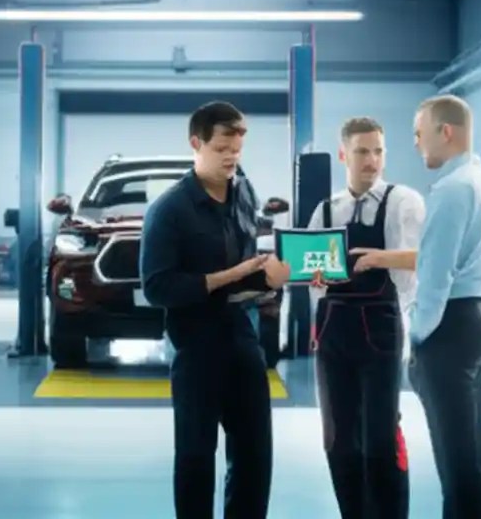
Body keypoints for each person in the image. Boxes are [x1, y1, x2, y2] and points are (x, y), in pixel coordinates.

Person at [140, 100, 291, 519]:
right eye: (222, 147)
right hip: (195, 347)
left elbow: (247, 272)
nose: (231, 157)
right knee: (195, 458)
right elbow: (156, 287)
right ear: (196, 143)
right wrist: (227, 276)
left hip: (242, 339)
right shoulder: (169, 210)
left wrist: (271, 277)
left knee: (255, 456)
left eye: (238, 149)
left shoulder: (245, 194)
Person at [305, 117, 426, 519]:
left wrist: (379, 260)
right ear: (344, 154)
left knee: (380, 440)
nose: (372, 160)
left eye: (378, 151)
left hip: (381, 330)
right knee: (339, 441)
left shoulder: (403, 201)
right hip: (332, 331)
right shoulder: (326, 210)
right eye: (362, 151)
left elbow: (425, 258)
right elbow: (311, 275)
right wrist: (313, 276)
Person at [400, 94, 481, 519]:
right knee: (475, 450)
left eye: (419, 133)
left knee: (455, 460)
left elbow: (434, 276)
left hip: (452, 325)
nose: (416, 143)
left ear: (445, 132)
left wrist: (416, 337)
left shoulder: (451, 190)